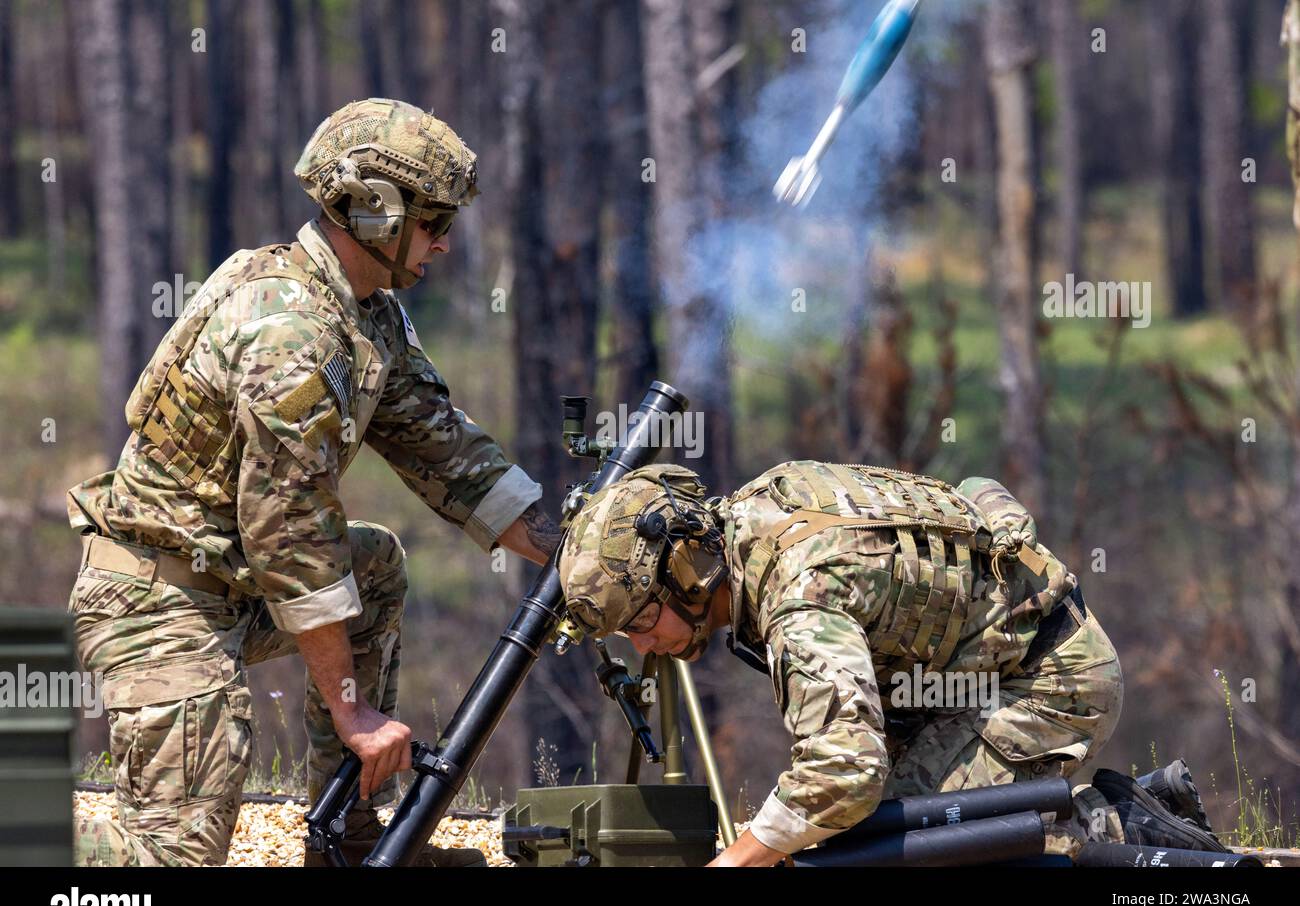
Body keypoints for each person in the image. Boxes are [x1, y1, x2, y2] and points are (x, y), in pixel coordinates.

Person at [67, 98, 561, 866]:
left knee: (374, 563)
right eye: (434, 225)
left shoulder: (366, 316)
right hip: (156, 601)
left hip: (225, 582)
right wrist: (354, 713)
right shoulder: (291, 329)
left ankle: (351, 845)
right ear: (375, 214)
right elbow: (287, 529)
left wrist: (572, 555)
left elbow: (444, 450)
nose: (446, 245)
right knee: (171, 861)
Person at [559, 460, 1126, 866]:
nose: (643, 647)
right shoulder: (761, 505)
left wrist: (738, 860)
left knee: (881, 851)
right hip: (971, 682)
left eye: (639, 623)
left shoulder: (798, 595)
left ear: (685, 574)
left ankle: (1117, 829)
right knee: (840, 831)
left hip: (1051, 683)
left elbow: (844, 772)